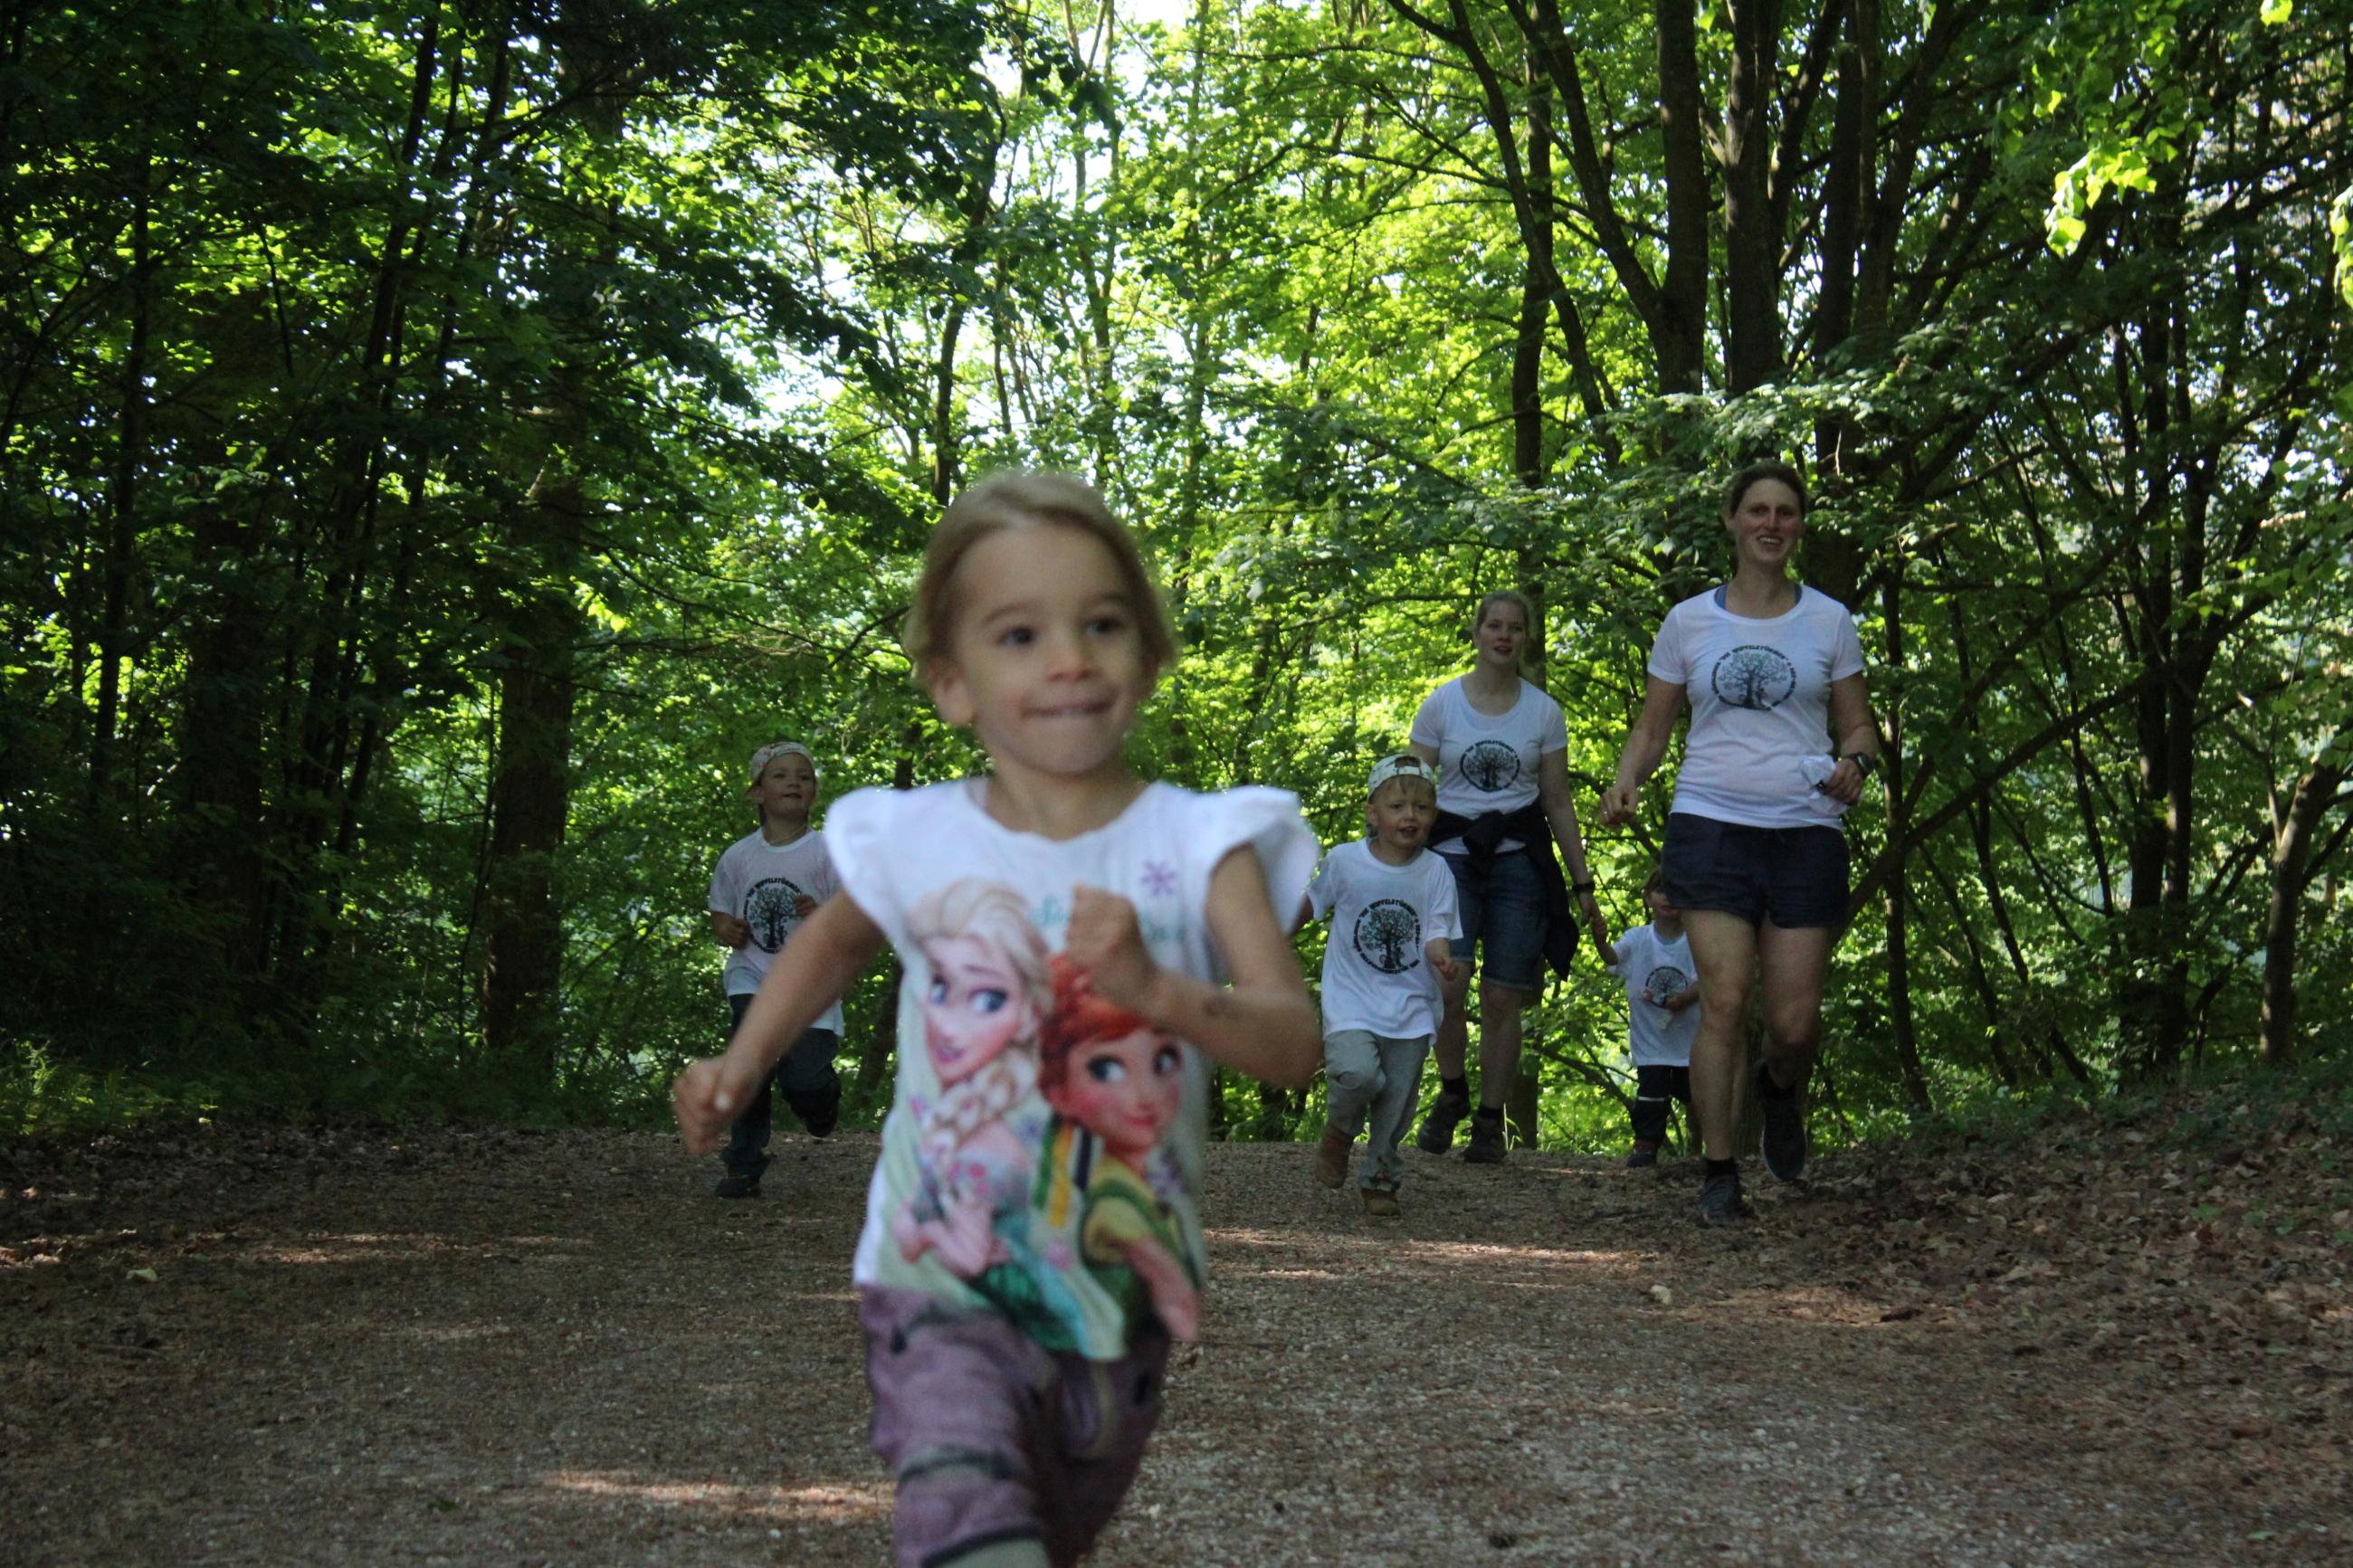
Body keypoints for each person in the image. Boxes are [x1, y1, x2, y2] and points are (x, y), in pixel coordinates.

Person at [672, 470, 1319, 1568]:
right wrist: (744, 1061)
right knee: (969, 1518)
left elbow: (1293, 1045)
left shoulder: (1201, 845)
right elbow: (828, 940)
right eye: (1018, 634)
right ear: (951, 682)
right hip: (936, 1276)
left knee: (1043, 1532)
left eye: (1101, 623)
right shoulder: (918, 838)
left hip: (1120, 1299)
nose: (1067, 656)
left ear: (1150, 655)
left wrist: (1160, 990)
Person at [1600, 461, 1878, 1226]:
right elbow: (1653, 728)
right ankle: (1719, 1169)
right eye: (1757, 509)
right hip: (1710, 823)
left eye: (1786, 512)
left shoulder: (1829, 620)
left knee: (1792, 1024)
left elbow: (1859, 723)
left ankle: (1779, 1087)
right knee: (1723, 998)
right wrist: (1626, 780)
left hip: (1805, 829)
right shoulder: (1690, 621)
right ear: (1730, 521)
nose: (1771, 523)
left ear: (1799, 526)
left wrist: (1856, 761)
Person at [1407, 590, 1612, 1164]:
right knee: (1448, 983)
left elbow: (1558, 800)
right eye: (1493, 626)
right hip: (1450, 857)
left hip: (1520, 859)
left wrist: (1583, 884)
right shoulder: (1441, 707)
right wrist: (1392, 862)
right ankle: (1451, 1092)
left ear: (1525, 637)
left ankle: (1490, 1120)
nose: (1503, 636)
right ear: (1475, 634)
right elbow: (1411, 790)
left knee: (1503, 995)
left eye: (1514, 628)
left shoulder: (1543, 712)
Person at [1300, 754, 1465, 1216]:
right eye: (1397, 806)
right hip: (1352, 999)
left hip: (1412, 1003)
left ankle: (1381, 1180)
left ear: (1434, 815)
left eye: (1421, 808)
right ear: (1373, 813)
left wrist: (1441, 957)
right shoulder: (1345, 862)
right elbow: (1313, 904)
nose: (1409, 816)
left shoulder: (1436, 871)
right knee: (1358, 1073)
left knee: (1397, 1100)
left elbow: (1436, 930)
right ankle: (1339, 1131)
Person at [704, 740, 845, 1199]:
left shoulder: (827, 852)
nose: (794, 783)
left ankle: (820, 1102)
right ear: (758, 793)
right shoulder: (738, 857)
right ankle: (743, 1165)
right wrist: (726, 929)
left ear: (814, 793)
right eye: (781, 775)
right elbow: (720, 911)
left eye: (803, 777)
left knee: (802, 1082)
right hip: (752, 974)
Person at [1602, 869, 1700, 1168]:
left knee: (1698, 1091)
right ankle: (1646, 1143)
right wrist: (1598, 938)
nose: (1668, 897)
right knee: (1651, 1093)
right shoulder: (1637, 938)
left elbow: (1709, 977)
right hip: (1651, 1041)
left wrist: (1685, 998)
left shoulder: (1697, 940)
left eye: (1675, 890)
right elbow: (1613, 959)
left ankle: (1713, 1147)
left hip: (1691, 1040)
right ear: (1648, 898)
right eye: (1660, 890)